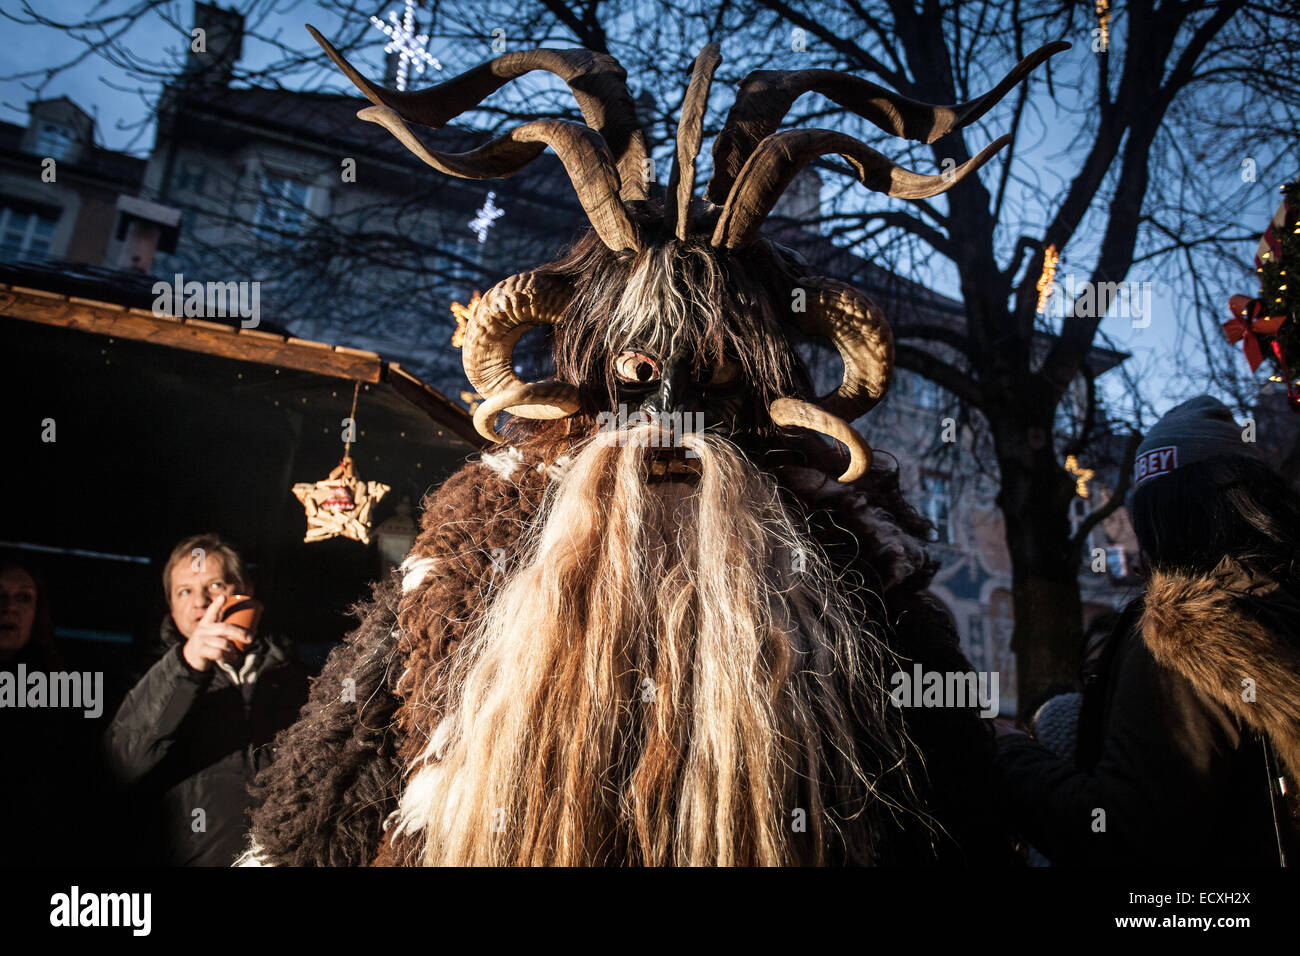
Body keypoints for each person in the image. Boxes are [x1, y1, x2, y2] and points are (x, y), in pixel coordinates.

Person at [995, 395, 1300, 865]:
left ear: (1168, 518)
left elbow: (1122, 838)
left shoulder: (1183, 636)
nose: (1140, 557)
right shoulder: (1281, 606)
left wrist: (1009, 752)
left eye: (1147, 524)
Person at [105, 534, 308, 866]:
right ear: (172, 607)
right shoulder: (145, 678)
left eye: (215, 586)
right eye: (185, 591)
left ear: (245, 592)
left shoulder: (295, 676)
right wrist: (188, 663)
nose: (200, 601)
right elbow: (120, 761)